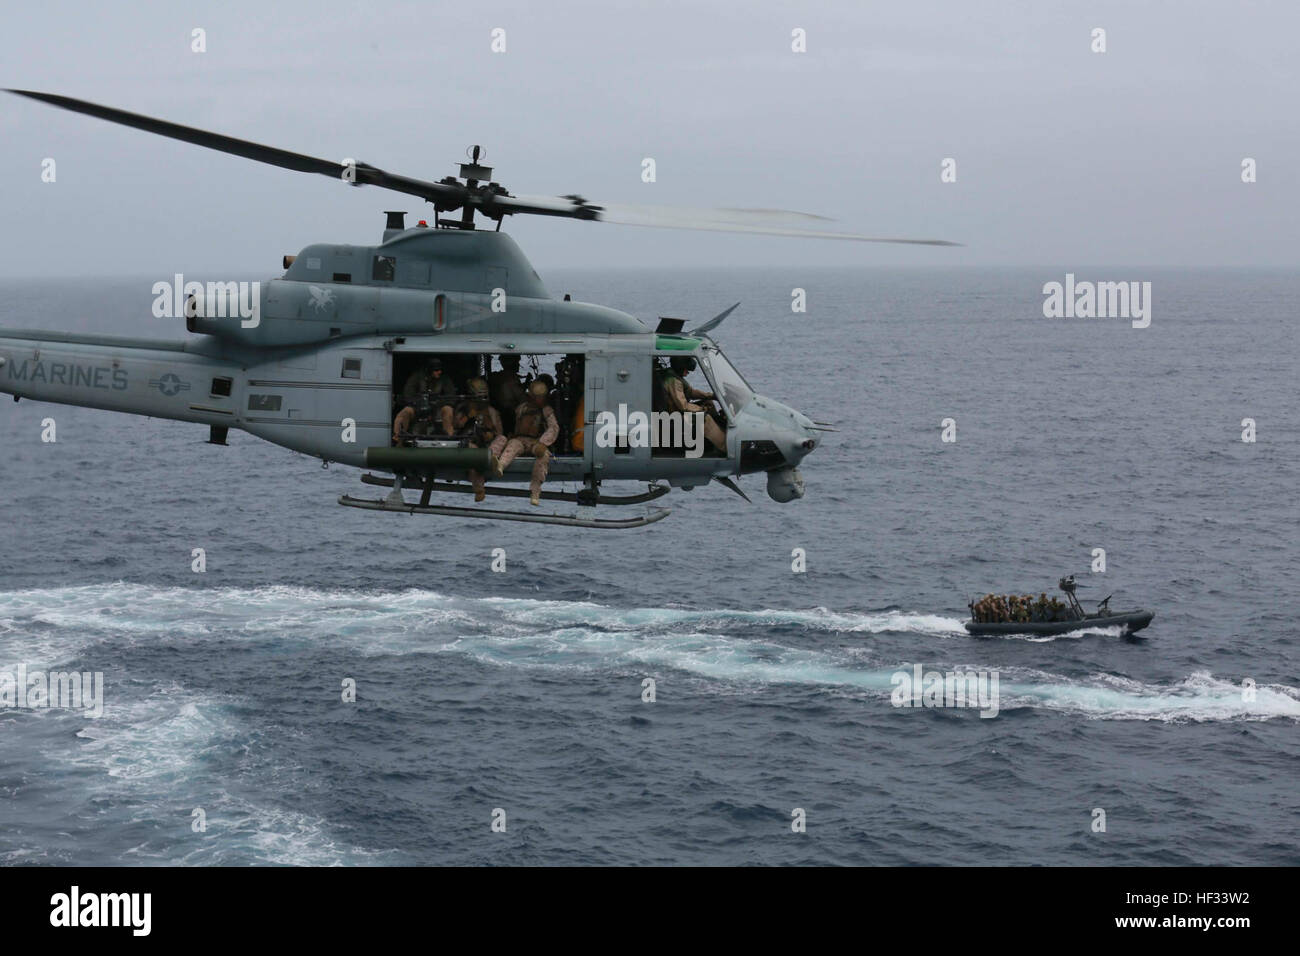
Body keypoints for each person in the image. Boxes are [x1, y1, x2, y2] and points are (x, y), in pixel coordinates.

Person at [489, 379, 558, 506]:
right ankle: (500, 466)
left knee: (543, 456)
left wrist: (544, 443)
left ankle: (535, 492)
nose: (539, 400)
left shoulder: (546, 411)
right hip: (520, 439)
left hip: (537, 442)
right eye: (536, 397)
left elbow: (553, 428)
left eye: (541, 397)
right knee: (512, 446)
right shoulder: (521, 408)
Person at [658, 356, 726, 455]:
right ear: (680, 368)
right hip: (674, 416)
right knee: (705, 418)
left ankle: (721, 429)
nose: (688, 373)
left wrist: (711, 396)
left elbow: (691, 392)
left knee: (709, 403)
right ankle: (724, 446)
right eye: (686, 370)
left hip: (678, 411)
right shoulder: (673, 381)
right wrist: (702, 410)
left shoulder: (675, 376)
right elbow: (683, 406)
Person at [453, 377, 504, 502]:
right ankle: (478, 487)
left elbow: (499, 432)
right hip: (470, 443)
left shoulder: (491, 412)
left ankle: (490, 459)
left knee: (502, 439)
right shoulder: (464, 409)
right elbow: (456, 427)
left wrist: (491, 435)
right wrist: (467, 417)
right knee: (472, 458)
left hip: (487, 446)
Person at [396, 357, 457, 437]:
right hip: (418, 408)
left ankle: (449, 438)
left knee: (448, 410)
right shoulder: (417, 377)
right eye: (436, 370)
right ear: (429, 370)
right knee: (406, 411)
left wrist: (439, 402)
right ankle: (398, 438)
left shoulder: (444, 379)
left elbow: (451, 396)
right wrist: (419, 403)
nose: (439, 372)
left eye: (440, 370)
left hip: (438, 409)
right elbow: (408, 394)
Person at [488, 354, 528, 434]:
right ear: (512, 364)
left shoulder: (497, 377)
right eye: (517, 362)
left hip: (501, 413)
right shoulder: (511, 380)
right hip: (510, 416)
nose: (518, 365)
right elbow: (522, 399)